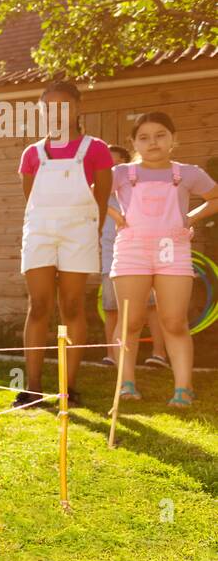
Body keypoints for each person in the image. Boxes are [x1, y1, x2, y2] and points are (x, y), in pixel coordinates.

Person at [108, 112, 218, 407]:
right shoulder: (121, 174)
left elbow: (215, 197)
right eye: (143, 137)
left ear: (173, 140)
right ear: (133, 142)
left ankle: (184, 388)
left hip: (174, 250)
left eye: (160, 135)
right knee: (131, 321)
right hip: (132, 250)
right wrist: (117, 217)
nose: (152, 142)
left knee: (174, 321)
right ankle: (126, 384)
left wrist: (189, 217)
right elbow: (91, 194)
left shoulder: (188, 173)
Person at [17, 81, 113, 409]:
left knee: (72, 306)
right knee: (39, 305)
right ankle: (32, 389)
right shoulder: (32, 154)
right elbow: (31, 197)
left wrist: (89, 232)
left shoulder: (95, 148)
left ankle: (68, 388)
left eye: (64, 106)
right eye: (49, 108)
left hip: (79, 235)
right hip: (40, 233)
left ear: (78, 109)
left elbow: (101, 198)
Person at [100, 144, 168, 370]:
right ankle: (112, 354)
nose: (112, 168)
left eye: (116, 163)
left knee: (150, 306)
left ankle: (159, 354)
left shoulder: (137, 187)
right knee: (111, 308)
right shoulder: (102, 191)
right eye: (107, 164)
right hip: (111, 256)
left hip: (142, 254)